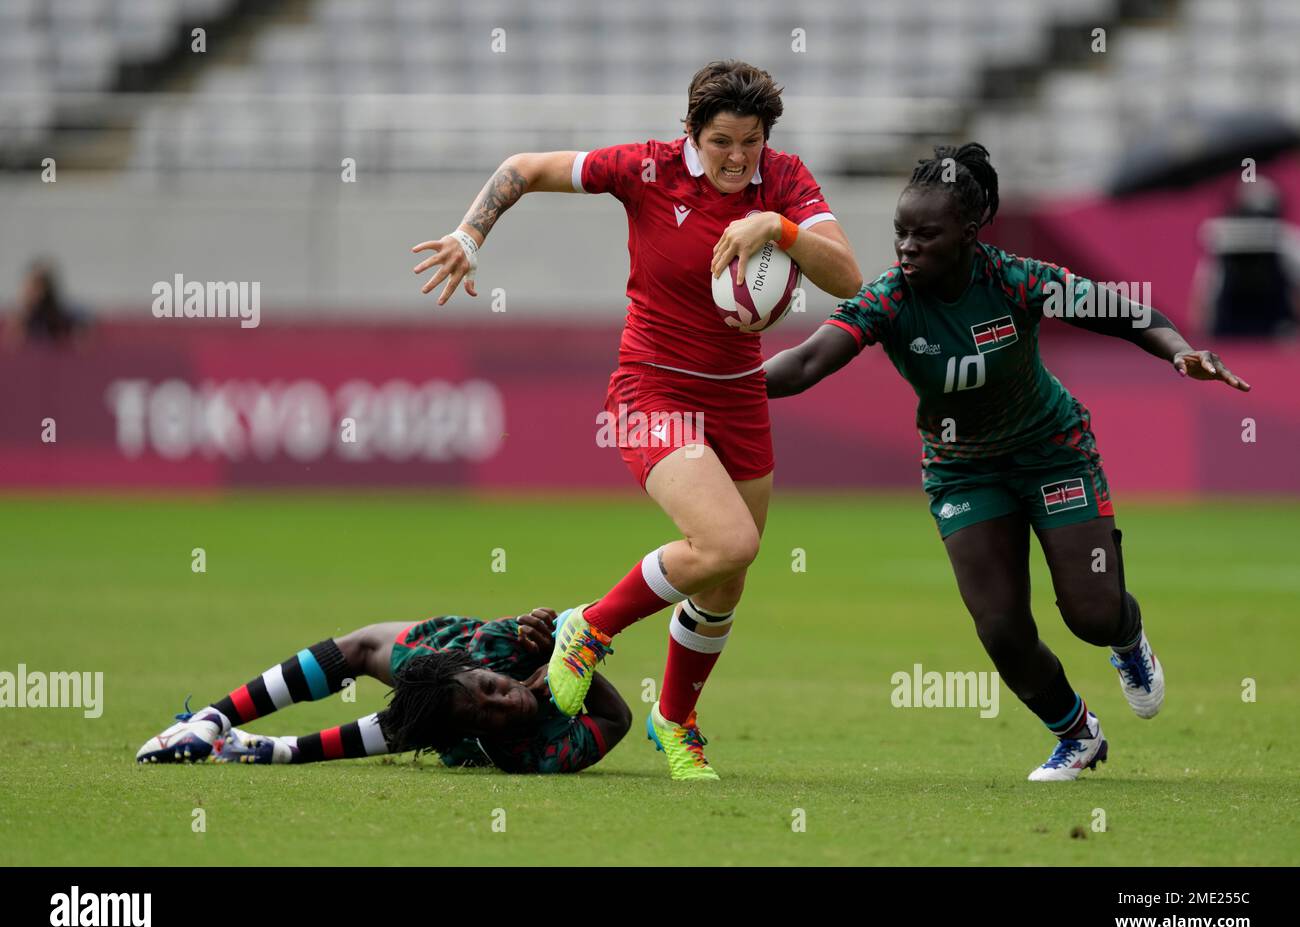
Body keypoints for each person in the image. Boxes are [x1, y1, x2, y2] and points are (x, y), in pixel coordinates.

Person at [411, 60, 861, 780]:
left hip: (739, 393)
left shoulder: (784, 182)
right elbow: (523, 168)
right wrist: (470, 235)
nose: (737, 157)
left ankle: (675, 720)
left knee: (726, 578)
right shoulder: (646, 171)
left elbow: (846, 276)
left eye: (750, 140)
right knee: (725, 540)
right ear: (692, 134)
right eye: (721, 141)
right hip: (651, 390)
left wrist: (775, 226)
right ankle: (587, 627)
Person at [764, 143, 1251, 781]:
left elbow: (1124, 314)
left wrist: (1181, 351)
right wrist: (718, 383)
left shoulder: (1017, 279)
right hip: (963, 470)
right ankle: (1076, 734)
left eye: (925, 235)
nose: (907, 248)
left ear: (969, 234)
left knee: (1093, 616)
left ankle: (1128, 640)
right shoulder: (887, 300)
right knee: (1000, 628)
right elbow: (804, 363)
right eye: (900, 233)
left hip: (1052, 453)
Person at [135, 607, 630, 774]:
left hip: (458, 691)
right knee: (390, 675)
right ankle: (213, 722)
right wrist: (570, 658)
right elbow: (616, 717)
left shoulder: (520, 751)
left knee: (407, 703)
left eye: (493, 696)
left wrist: (560, 646)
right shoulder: (536, 746)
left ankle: (270, 747)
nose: (505, 698)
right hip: (456, 670)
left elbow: (617, 719)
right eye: (493, 699)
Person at [1190, 177, 1300, 338]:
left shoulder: (1285, 240)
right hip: (1230, 334)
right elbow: (1205, 297)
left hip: (1276, 335)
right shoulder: (1221, 239)